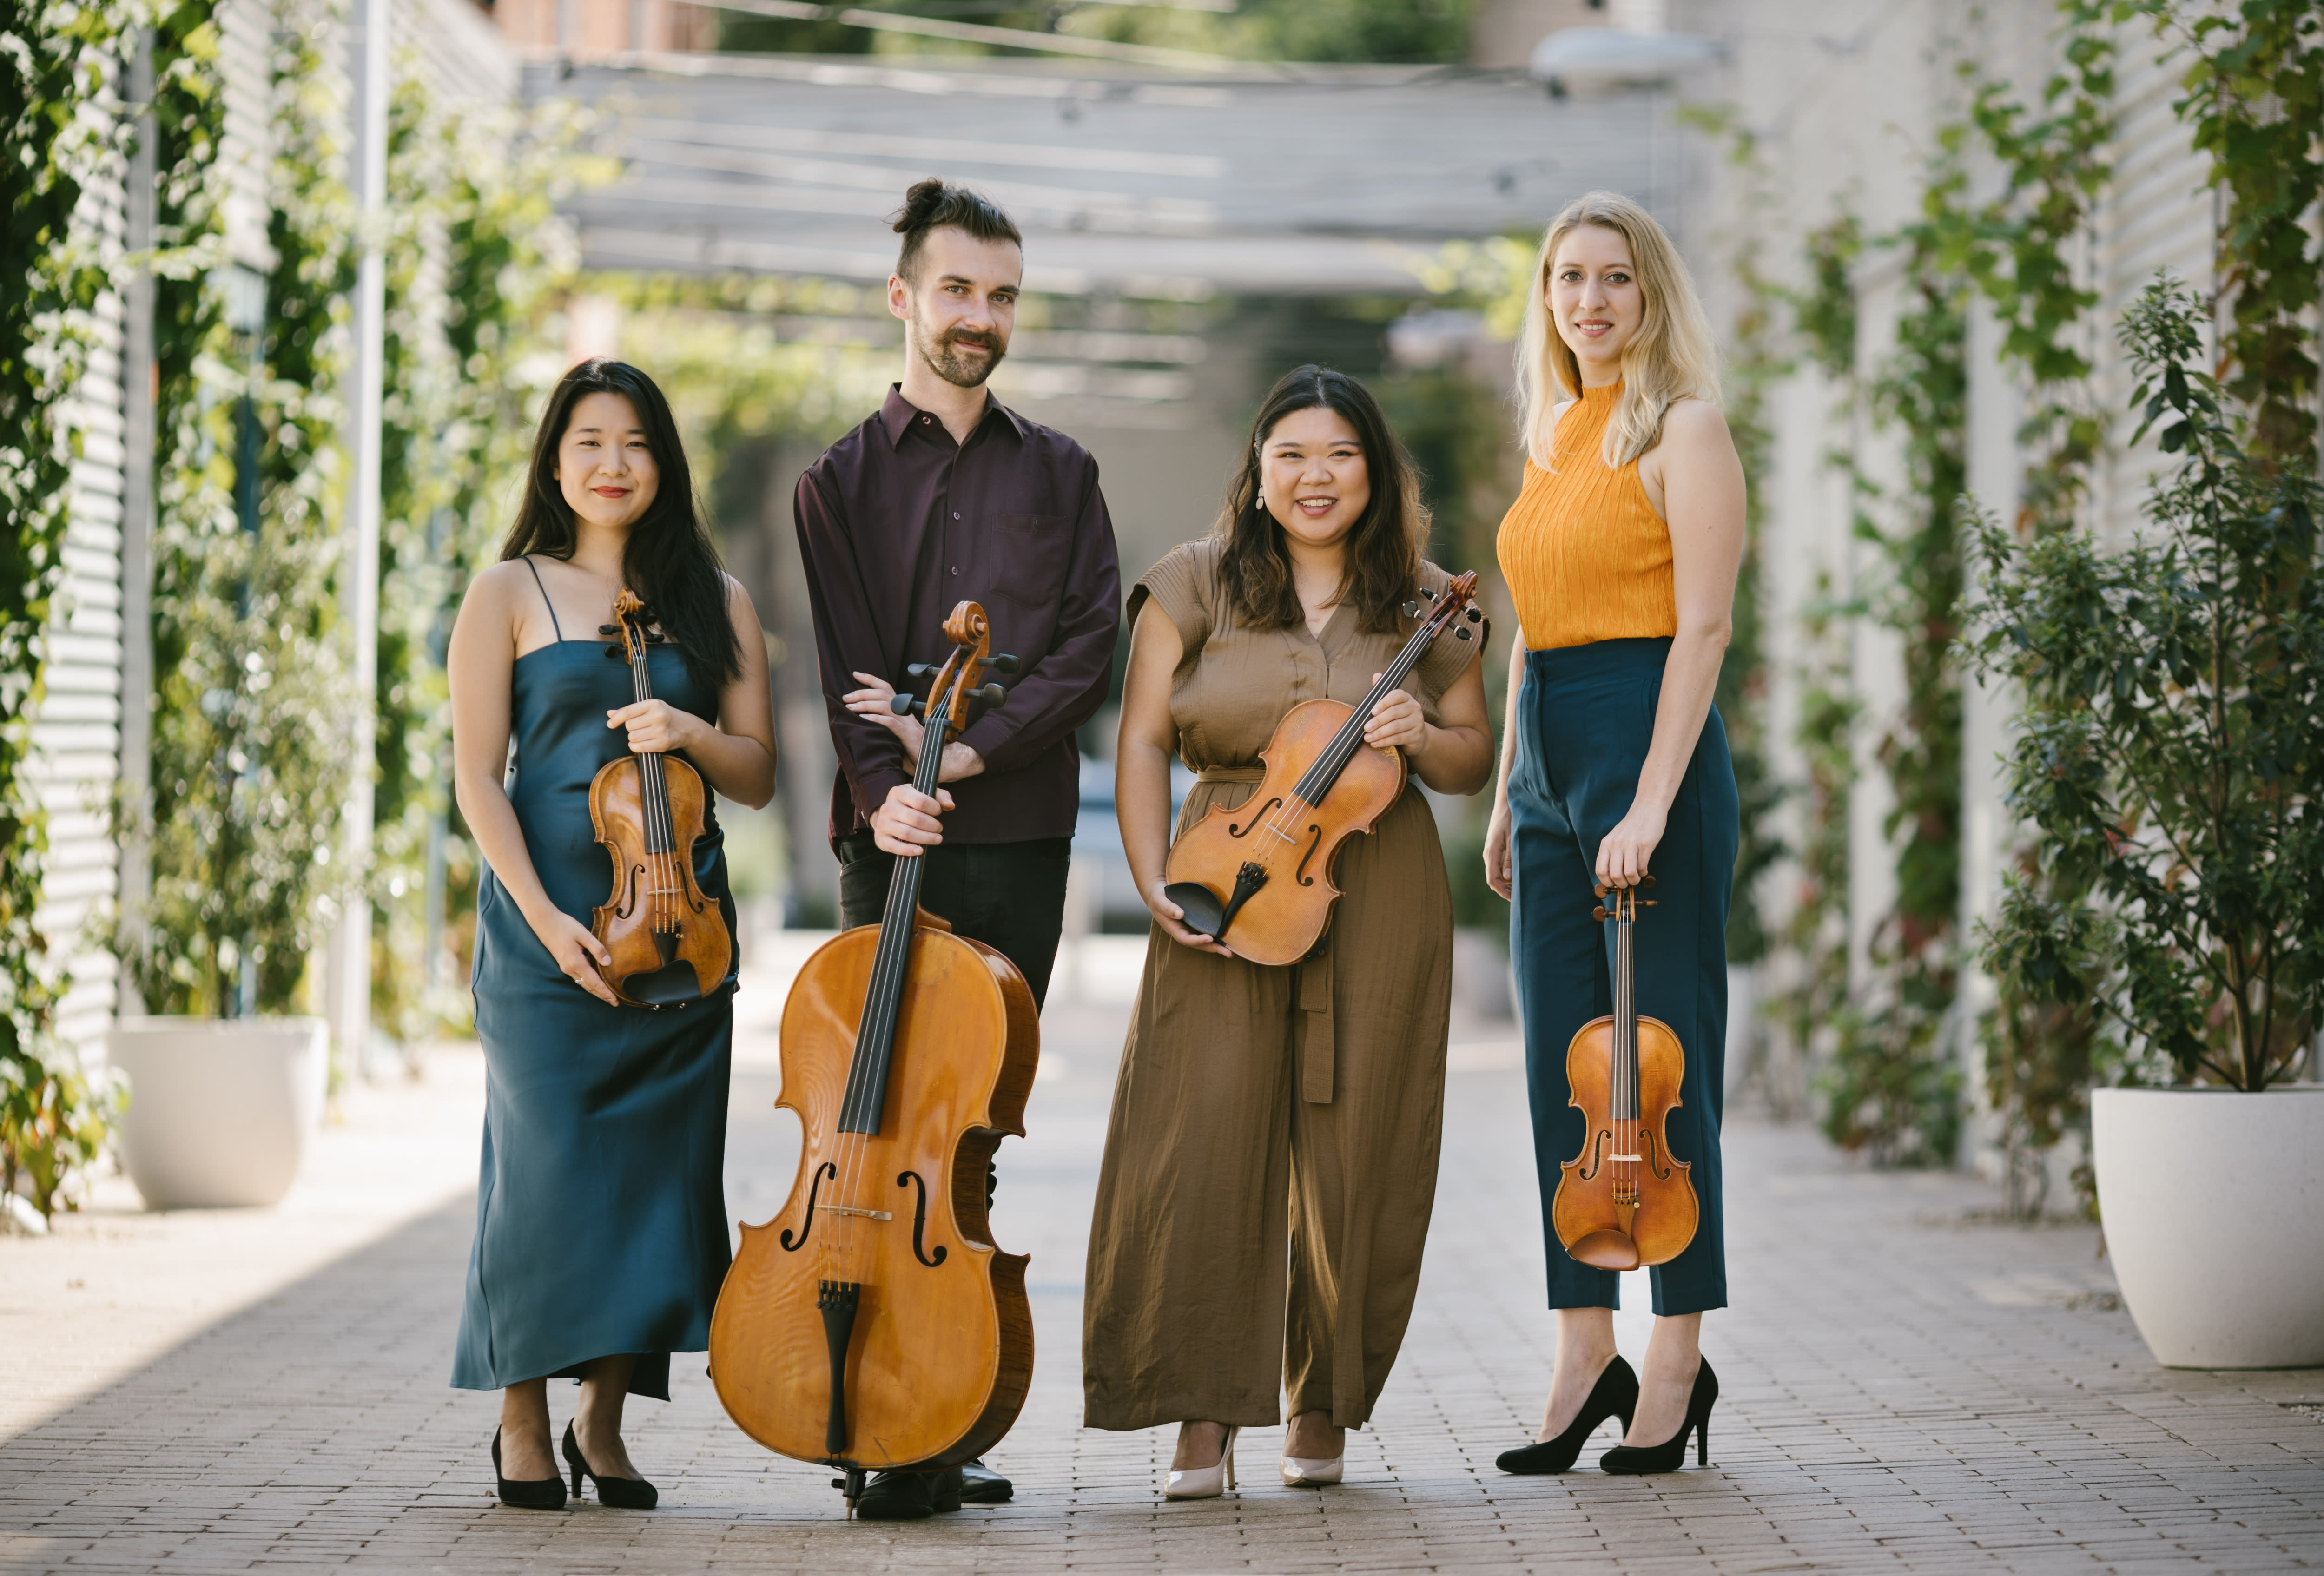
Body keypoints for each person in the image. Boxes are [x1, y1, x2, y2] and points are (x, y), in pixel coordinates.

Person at [1082, 366, 1494, 1499]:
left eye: (1340, 456)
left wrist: (1419, 731)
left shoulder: (1424, 602)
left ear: (1376, 471)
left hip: (1377, 883)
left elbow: (1470, 757)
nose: (1315, 478)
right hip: (1224, 871)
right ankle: (1201, 1411)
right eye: (1291, 456)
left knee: (1364, 1139)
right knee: (1200, 1131)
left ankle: (1322, 1399)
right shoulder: (1194, 582)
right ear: (1257, 472)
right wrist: (1149, 876)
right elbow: (1140, 743)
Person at [791, 178, 1122, 1520]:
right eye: (957, 291)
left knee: (968, 1129)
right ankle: (869, 1400)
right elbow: (846, 668)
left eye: (999, 296)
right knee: (870, 1123)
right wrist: (888, 789)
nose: (978, 318)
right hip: (892, 842)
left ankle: (940, 1406)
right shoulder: (837, 484)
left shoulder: (1065, 475)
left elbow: (1087, 651)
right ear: (904, 298)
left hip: (1017, 830)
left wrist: (969, 753)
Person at [447, 358, 778, 1510]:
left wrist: (689, 725)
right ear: (554, 458)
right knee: (540, 1175)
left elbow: (758, 773)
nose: (611, 464)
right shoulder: (507, 592)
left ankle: (604, 1419)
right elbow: (479, 781)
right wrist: (543, 923)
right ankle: (522, 1416)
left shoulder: (717, 600)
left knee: (656, 1180)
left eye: (634, 443)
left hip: (679, 931)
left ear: (662, 462)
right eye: (588, 441)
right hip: (545, 931)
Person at [1483, 190, 1746, 1476]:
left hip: (1656, 751)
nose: (1588, 301)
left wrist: (1647, 801)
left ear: (1652, 297)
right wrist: (1507, 793)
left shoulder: (1683, 429)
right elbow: (1534, 620)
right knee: (1561, 1079)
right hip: (1547, 773)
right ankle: (1585, 1350)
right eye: (1567, 279)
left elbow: (1702, 628)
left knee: (1663, 1063)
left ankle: (1680, 1357)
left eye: (1615, 280)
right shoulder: (1553, 437)